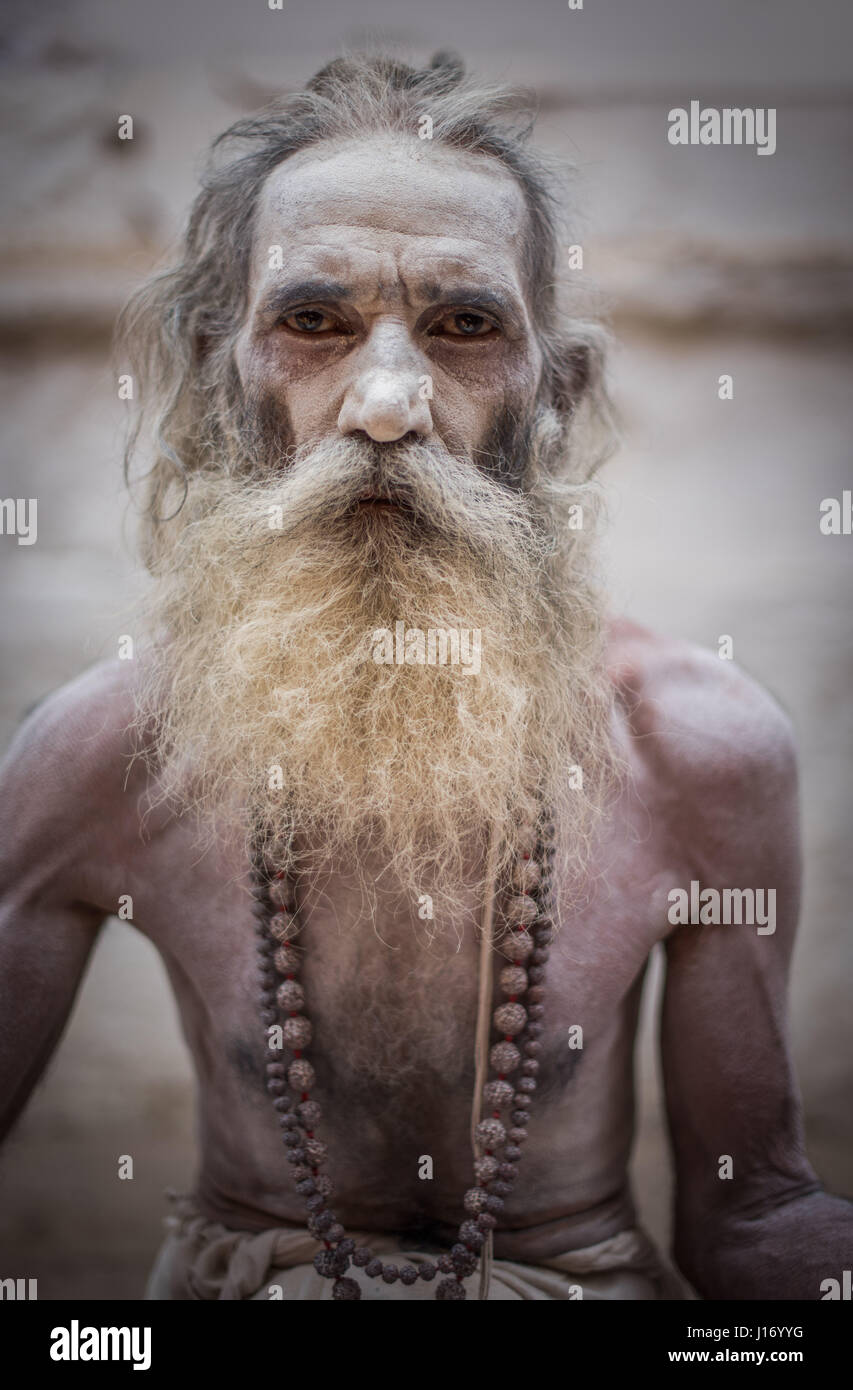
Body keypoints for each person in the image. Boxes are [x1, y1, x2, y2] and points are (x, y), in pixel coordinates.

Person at [1, 51, 849, 1301]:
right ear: (218, 367)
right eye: (312, 322)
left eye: (463, 327)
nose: (388, 401)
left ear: (550, 391)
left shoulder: (701, 751)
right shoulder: (103, 752)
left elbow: (751, 1216)